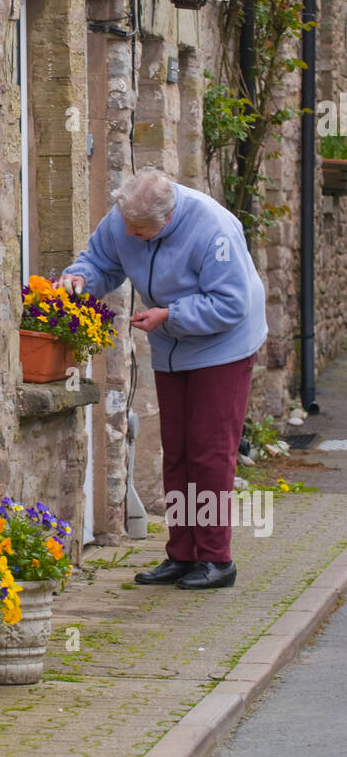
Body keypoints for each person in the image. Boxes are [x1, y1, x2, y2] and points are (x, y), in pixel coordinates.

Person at [60, 167, 267, 589]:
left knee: (209, 454)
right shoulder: (126, 217)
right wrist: (81, 278)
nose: (131, 236)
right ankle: (182, 554)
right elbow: (100, 261)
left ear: (167, 219)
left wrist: (170, 314)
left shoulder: (213, 229)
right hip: (172, 346)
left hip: (224, 346)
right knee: (177, 452)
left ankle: (216, 559)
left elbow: (232, 304)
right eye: (128, 228)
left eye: (141, 231)